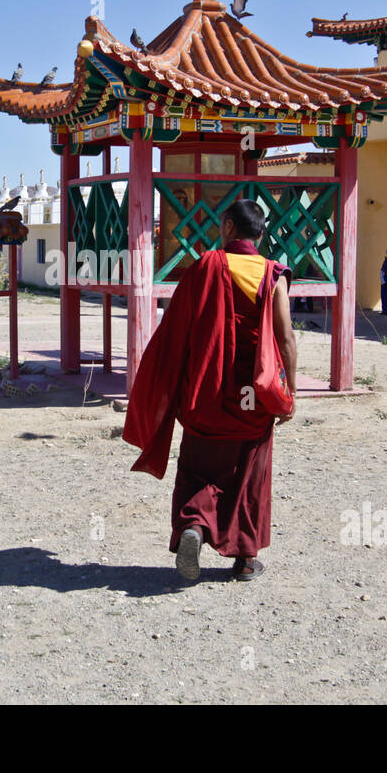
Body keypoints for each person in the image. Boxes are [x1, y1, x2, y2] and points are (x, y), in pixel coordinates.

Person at [123, 200, 299, 582]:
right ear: (261, 234)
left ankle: (194, 527)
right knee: (249, 474)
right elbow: (285, 337)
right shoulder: (274, 275)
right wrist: (290, 391)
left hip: (207, 393)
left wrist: (168, 385)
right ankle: (246, 559)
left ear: (230, 227)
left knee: (199, 467)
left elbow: (175, 333)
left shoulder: (205, 267)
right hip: (255, 398)